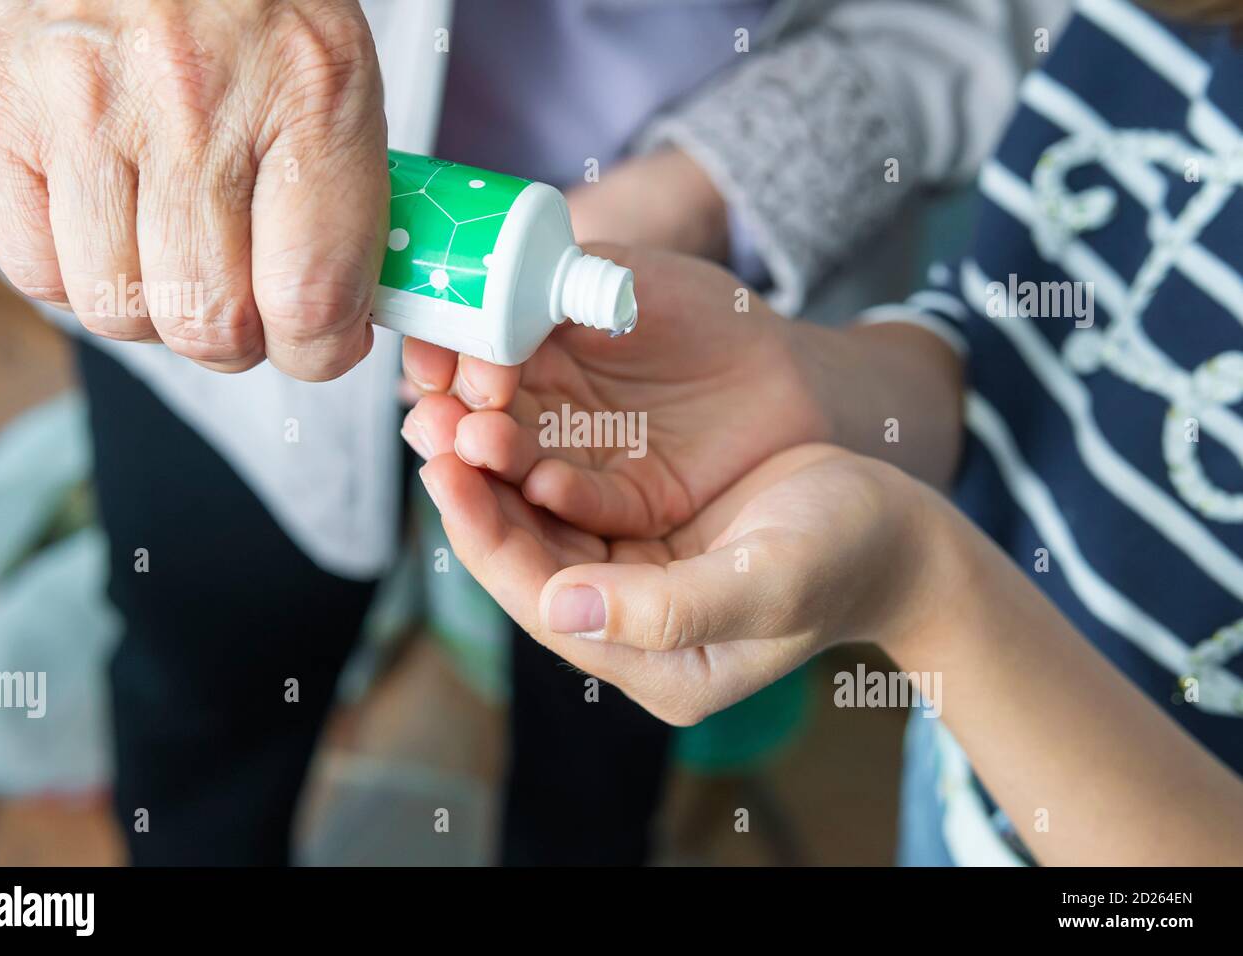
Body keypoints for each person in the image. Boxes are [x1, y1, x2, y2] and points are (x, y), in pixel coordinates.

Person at [0, 0, 1050, 863]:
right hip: (211, 271)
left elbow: (979, 19)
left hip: (669, 333)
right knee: (207, 684)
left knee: (607, 702)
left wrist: (714, 184)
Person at [402, 0, 1243, 865]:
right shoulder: (1142, 22)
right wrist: (808, 381)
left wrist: (929, 590)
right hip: (956, 798)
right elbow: (1026, 349)